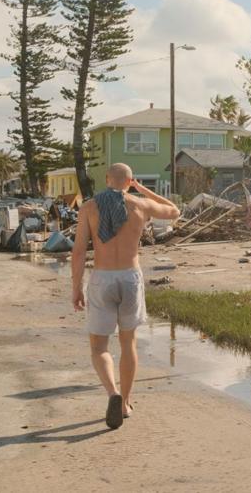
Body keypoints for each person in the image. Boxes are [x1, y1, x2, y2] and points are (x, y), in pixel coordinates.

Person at [71, 163, 180, 429]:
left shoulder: (88, 207)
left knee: (99, 347)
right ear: (130, 181)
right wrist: (142, 190)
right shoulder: (140, 205)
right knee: (128, 342)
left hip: (102, 277)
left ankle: (112, 392)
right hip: (130, 277)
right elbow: (175, 212)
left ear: (107, 179)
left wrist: (76, 287)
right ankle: (125, 402)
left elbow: (78, 252)